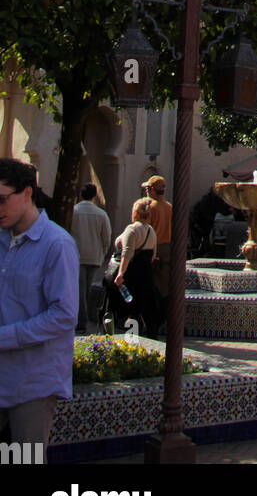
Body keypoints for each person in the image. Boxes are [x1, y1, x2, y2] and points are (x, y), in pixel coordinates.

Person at [0, 158, 78, 461]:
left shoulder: (57, 244)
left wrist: (7, 337)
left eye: (3, 199)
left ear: (27, 193)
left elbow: (64, 315)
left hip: (33, 382)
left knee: (23, 458)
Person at [105, 198, 161, 337]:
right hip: (146, 275)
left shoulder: (132, 229)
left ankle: (129, 340)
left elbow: (127, 253)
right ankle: (146, 340)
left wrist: (120, 274)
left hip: (131, 275)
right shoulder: (151, 231)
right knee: (144, 309)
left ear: (134, 212)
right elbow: (153, 255)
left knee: (129, 308)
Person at [70, 183, 111, 333]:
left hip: (77, 255)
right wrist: (102, 253)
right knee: (89, 288)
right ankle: (89, 318)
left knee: (80, 289)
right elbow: (107, 237)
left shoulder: (73, 212)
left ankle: (82, 320)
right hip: (94, 256)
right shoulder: (101, 214)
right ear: (95, 196)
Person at [142, 175, 173, 309]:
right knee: (164, 286)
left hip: (154, 250)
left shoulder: (150, 207)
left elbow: (145, 230)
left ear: (151, 190)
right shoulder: (169, 207)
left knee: (151, 286)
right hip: (168, 249)